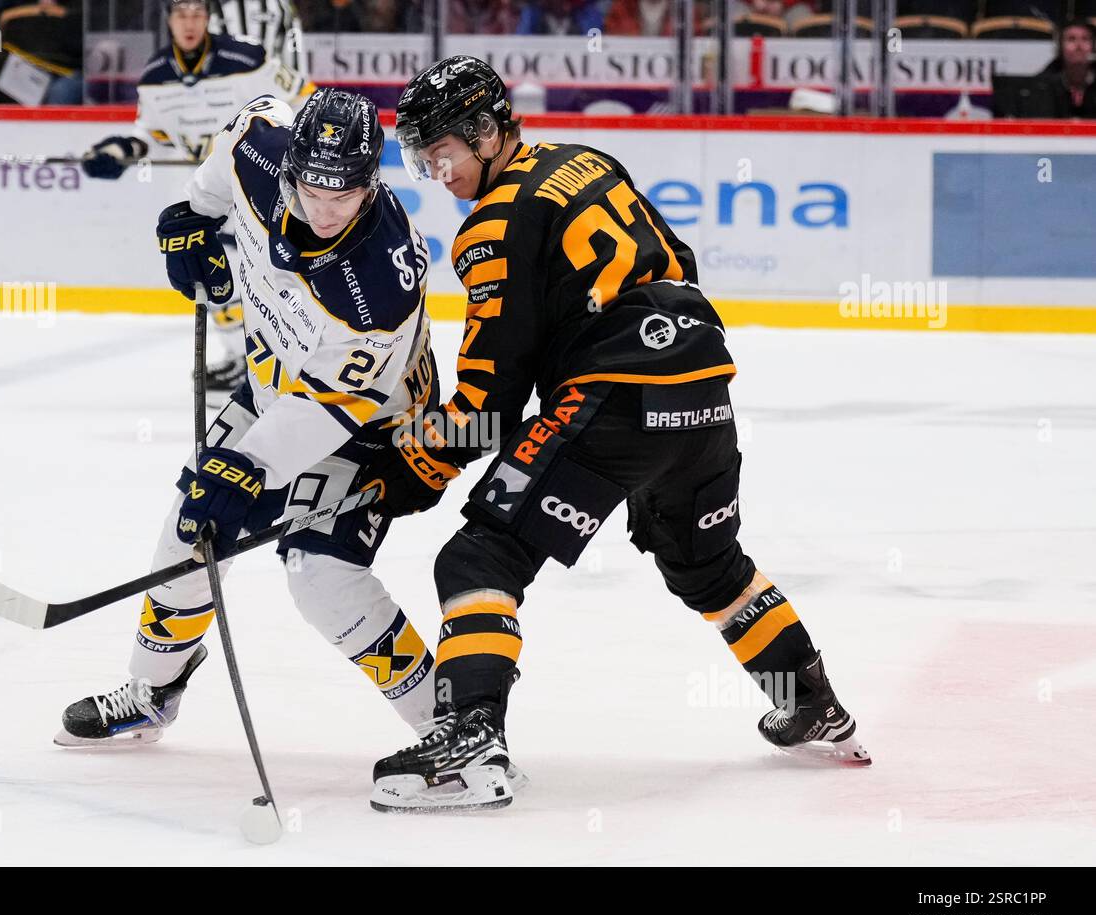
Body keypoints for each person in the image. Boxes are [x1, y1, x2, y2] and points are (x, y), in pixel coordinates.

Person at [359, 55, 871, 813]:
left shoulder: (492, 225)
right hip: (702, 385)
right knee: (705, 563)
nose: (435, 171)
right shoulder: (586, 161)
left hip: (616, 394)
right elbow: (679, 264)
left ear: (488, 131)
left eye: (442, 151)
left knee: (480, 553)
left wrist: (407, 470)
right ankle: (813, 704)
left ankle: (470, 740)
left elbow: (488, 399)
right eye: (421, 156)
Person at [57, 90, 446, 752]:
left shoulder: (380, 283)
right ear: (290, 168)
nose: (326, 210)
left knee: (321, 576)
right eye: (313, 191)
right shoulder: (261, 147)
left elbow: (330, 405)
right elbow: (220, 167)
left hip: (375, 425)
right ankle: (153, 693)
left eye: (344, 195)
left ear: (371, 182)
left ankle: (453, 728)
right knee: (188, 534)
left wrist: (248, 470)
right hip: (274, 381)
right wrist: (190, 217)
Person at [82, 0, 311, 393]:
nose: (188, 23)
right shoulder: (156, 74)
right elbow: (148, 135)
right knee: (208, 273)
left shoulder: (246, 59)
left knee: (273, 275)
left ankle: (289, 355)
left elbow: (303, 98)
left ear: (207, 18)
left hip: (259, 185)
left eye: (196, 14)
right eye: (180, 14)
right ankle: (243, 360)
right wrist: (117, 152)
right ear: (168, 20)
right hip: (206, 191)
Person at [1032, 20, 1096, 120]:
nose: (1079, 46)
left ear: (1093, 47)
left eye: (1085, 39)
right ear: (1060, 47)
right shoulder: (1042, 86)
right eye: (1071, 39)